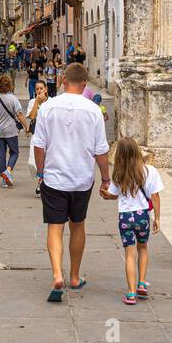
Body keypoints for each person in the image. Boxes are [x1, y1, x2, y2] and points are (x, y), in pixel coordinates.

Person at [31, 62, 110, 302]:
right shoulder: (93, 110)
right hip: (81, 179)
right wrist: (106, 179)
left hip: (54, 178)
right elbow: (101, 151)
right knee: (78, 225)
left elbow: (38, 145)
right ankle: (74, 277)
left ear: (63, 80)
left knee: (55, 227)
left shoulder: (48, 107)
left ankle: (57, 274)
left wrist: (41, 172)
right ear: (85, 83)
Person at [100, 136, 162, 305]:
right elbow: (155, 196)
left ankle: (131, 293)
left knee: (129, 254)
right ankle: (141, 283)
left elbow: (113, 195)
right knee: (143, 248)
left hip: (125, 217)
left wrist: (105, 195)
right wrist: (157, 218)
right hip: (142, 216)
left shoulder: (119, 174)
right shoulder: (150, 171)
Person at [0, 74, 27, 187]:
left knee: (1, 155)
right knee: (14, 152)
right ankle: (8, 170)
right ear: (10, 85)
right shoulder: (13, 99)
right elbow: (19, 115)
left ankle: (4, 180)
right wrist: (26, 126)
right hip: (10, 130)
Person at [27, 80, 50, 195]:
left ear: (46, 89)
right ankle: (40, 179)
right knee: (33, 161)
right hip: (36, 134)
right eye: (37, 89)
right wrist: (36, 101)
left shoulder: (51, 102)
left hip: (49, 135)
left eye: (41, 88)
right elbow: (32, 116)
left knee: (47, 161)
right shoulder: (32, 102)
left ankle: (42, 183)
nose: (40, 91)